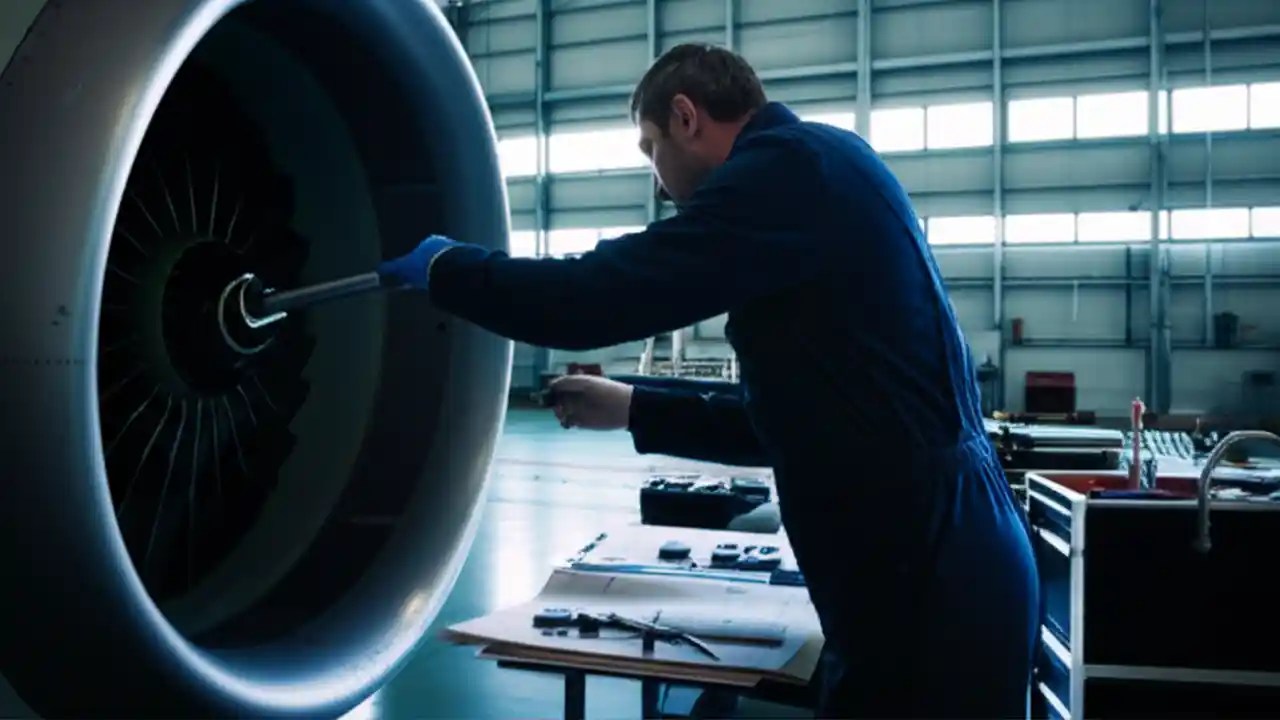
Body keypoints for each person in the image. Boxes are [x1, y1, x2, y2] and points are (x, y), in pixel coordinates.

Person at [378, 43, 1039, 718]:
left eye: (649, 146)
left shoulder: (785, 175)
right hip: (939, 562)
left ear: (686, 117)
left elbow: (592, 297)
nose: (660, 182)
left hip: (923, 577)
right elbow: (788, 420)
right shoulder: (822, 169)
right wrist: (634, 407)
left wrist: (450, 270)